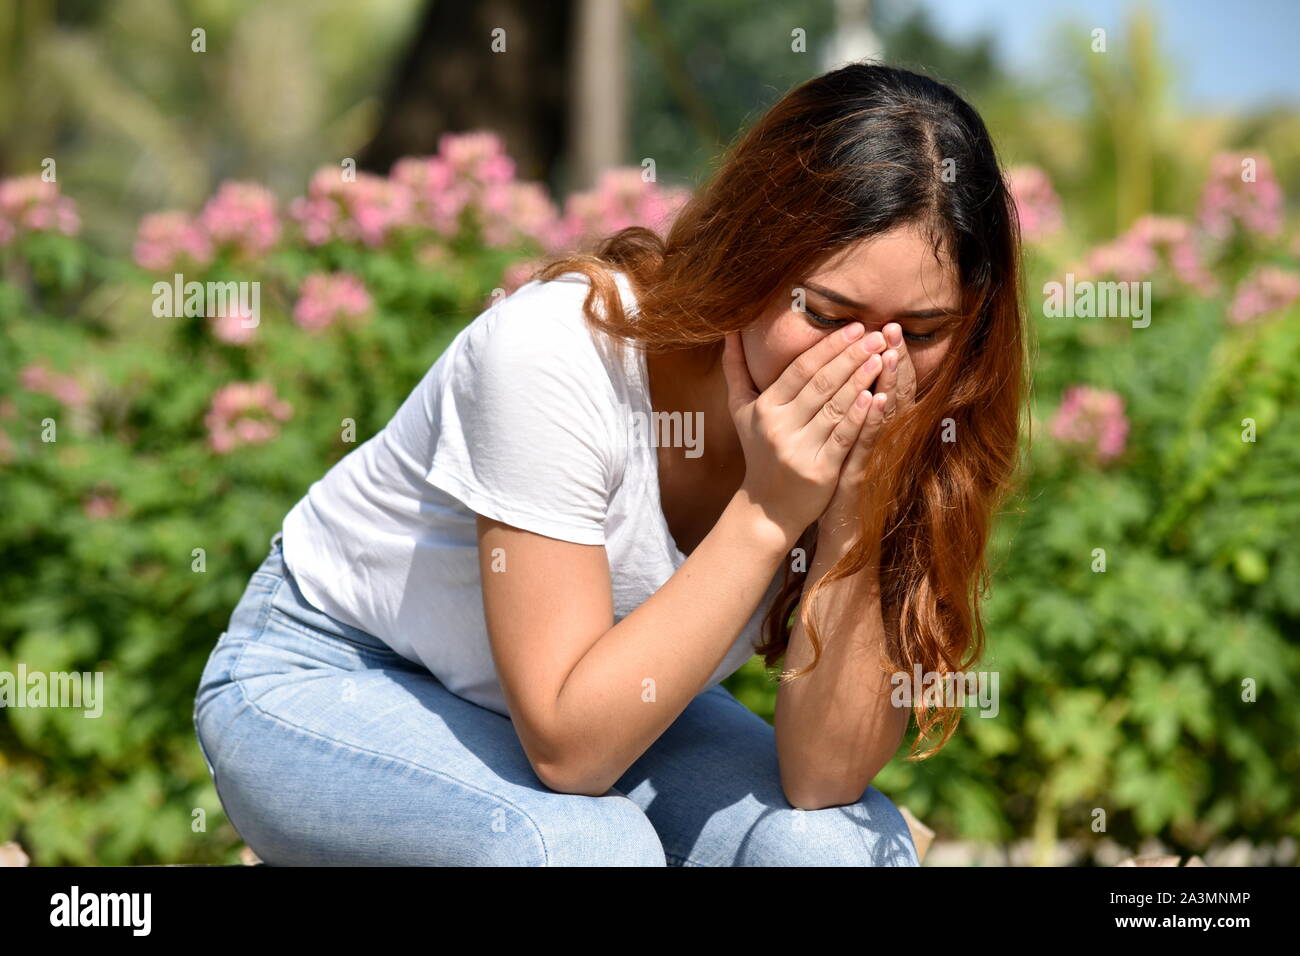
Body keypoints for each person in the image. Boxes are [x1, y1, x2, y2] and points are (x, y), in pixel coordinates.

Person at [193, 61, 1026, 866]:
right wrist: (769, 513)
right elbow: (569, 751)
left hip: (624, 708)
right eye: (826, 311)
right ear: (750, 257)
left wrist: (854, 504)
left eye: (919, 331)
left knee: (832, 849)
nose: (871, 365)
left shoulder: (919, 410)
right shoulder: (555, 352)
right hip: (334, 672)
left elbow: (823, 780)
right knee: (588, 849)